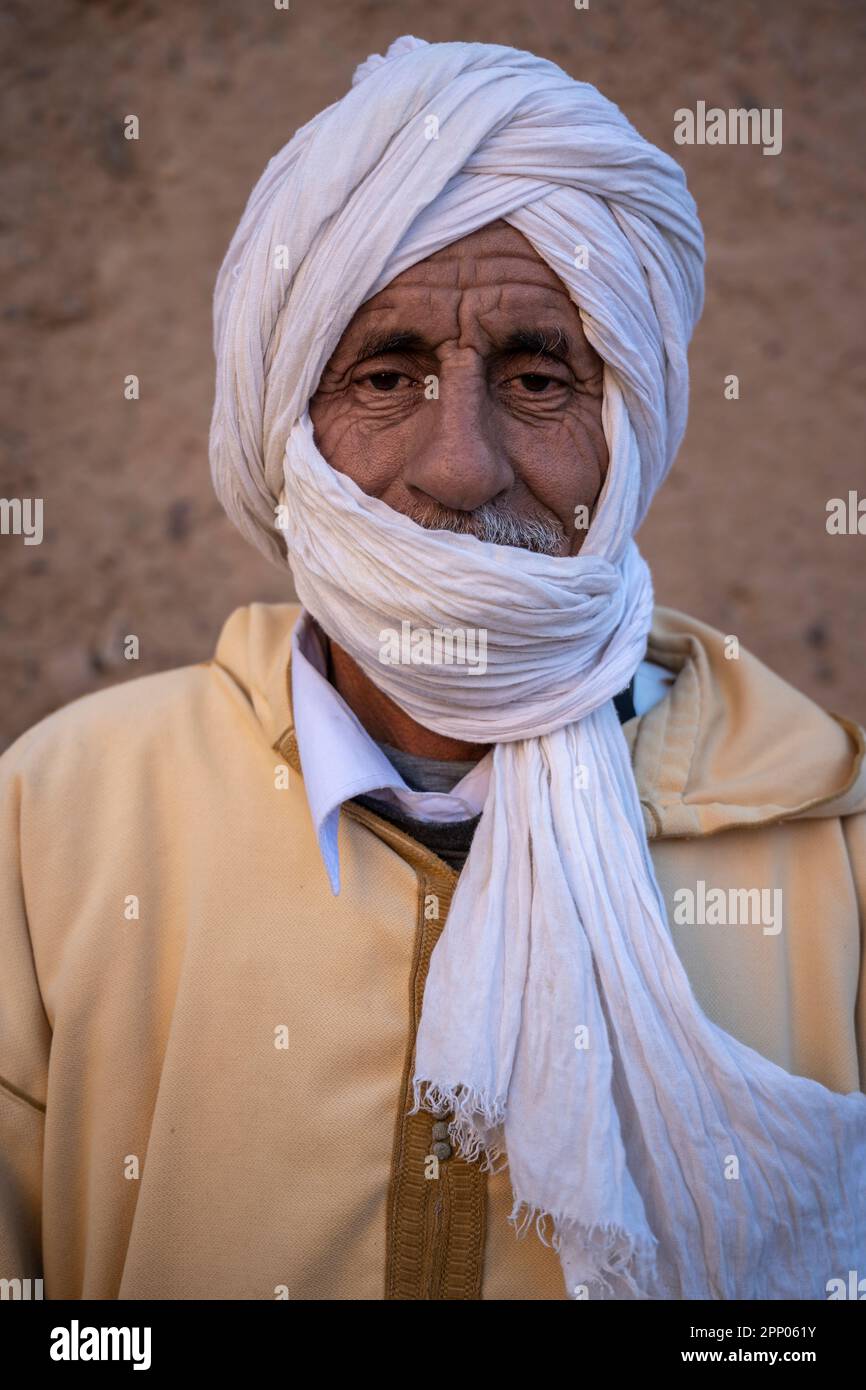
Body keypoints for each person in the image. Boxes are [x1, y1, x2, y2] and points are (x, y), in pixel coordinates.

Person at [2, 35, 865, 1303]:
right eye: (385, 375)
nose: (458, 465)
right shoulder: (59, 821)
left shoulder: (827, 849)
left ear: (625, 430)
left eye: (534, 376)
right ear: (284, 438)